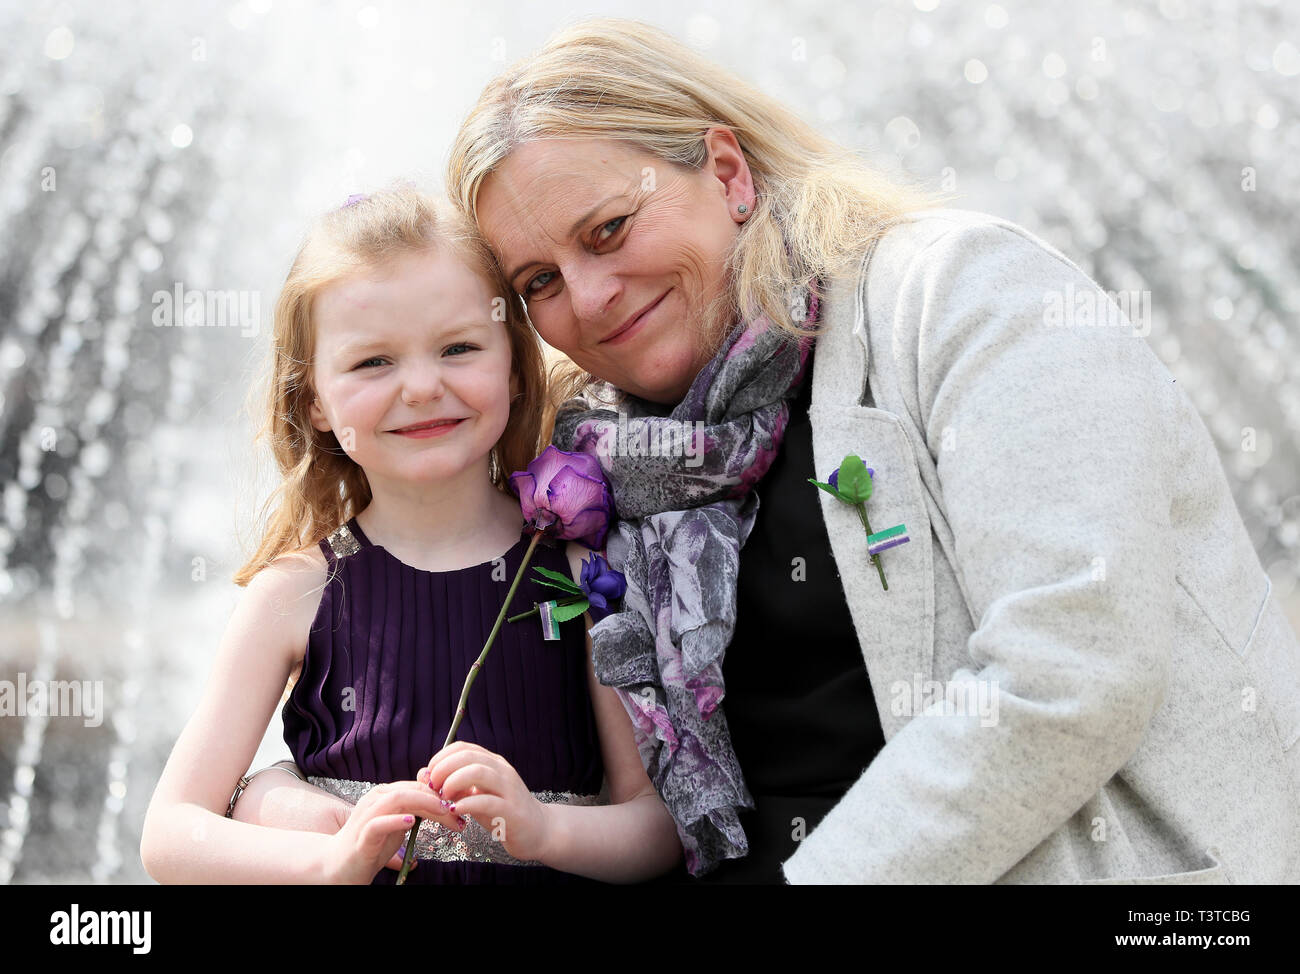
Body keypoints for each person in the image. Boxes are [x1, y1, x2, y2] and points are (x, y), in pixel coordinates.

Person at [243, 18, 1300, 884]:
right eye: (538, 284)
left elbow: (1071, 666)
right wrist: (282, 798)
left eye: (607, 230)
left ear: (727, 170)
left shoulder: (966, 295)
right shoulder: (602, 449)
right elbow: (431, 656)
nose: (589, 297)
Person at [138, 184, 682, 884]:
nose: (422, 386)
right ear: (316, 402)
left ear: (515, 369)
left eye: (458, 348)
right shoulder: (296, 591)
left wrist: (546, 829)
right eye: (373, 362)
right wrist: (328, 860)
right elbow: (172, 833)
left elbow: (658, 826)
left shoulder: (581, 576)